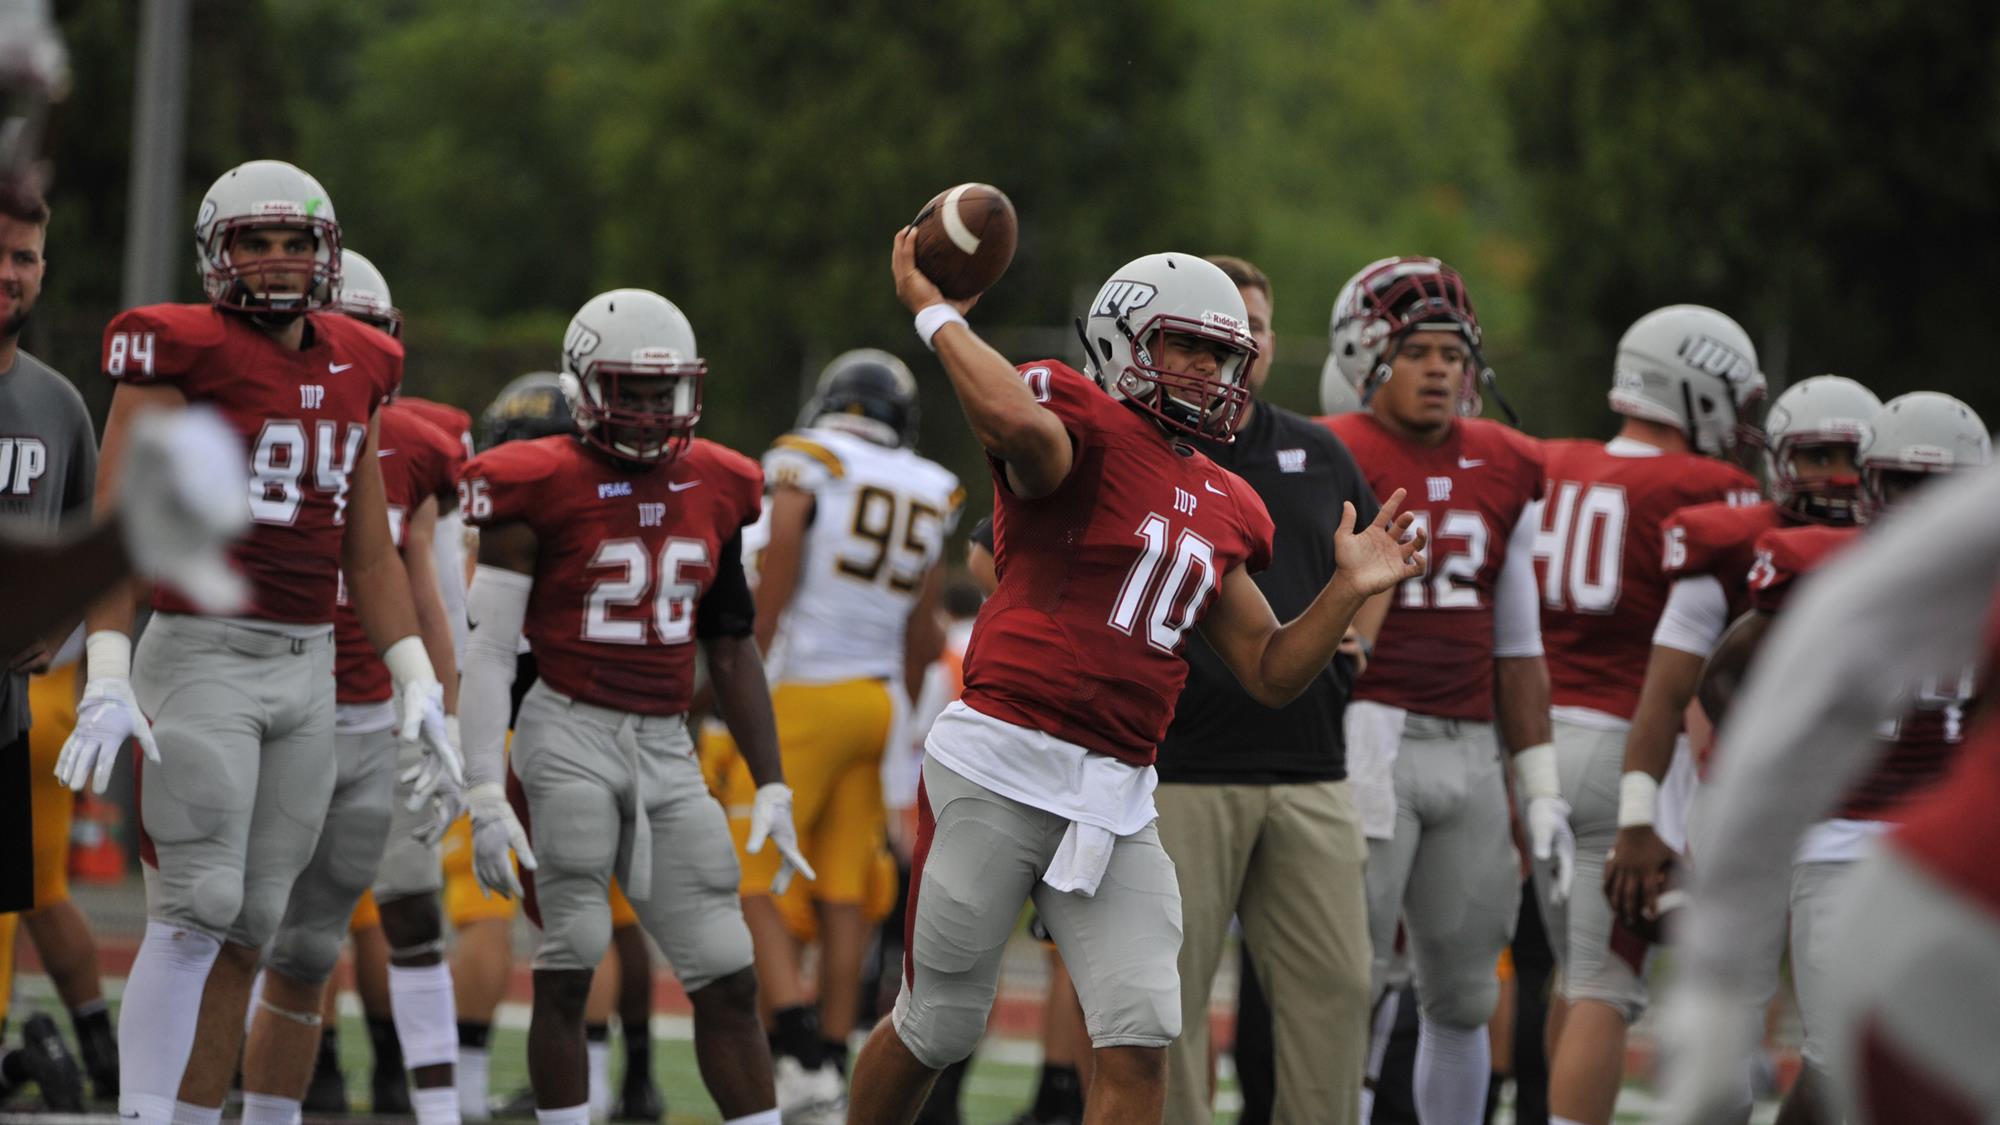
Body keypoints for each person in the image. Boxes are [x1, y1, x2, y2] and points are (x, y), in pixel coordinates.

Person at [847, 228, 1426, 1125]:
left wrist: (1346, 589)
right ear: (1123, 338)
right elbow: (1016, 428)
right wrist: (937, 315)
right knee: (939, 1023)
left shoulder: (1234, 500)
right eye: (1186, 345)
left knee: (1141, 1041)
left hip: (1120, 792)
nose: (1207, 370)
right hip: (1002, 761)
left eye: (1222, 354)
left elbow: (1271, 670)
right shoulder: (1076, 416)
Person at [52, 159, 458, 1125]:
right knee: (195, 909)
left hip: (307, 665)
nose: (276, 262)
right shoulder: (178, 351)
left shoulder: (362, 359)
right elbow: (120, 527)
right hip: (202, 652)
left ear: (327, 252)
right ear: (216, 255)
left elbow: (368, 553)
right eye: (254, 241)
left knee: (253, 929)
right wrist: (106, 668)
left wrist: (415, 677)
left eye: (294, 242)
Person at [458, 288, 808, 1125]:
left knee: (727, 967)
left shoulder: (721, 480)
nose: (651, 413)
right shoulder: (533, 480)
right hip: (566, 726)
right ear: (583, 388)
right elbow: (490, 648)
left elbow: (730, 641)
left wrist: (772, 782)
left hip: (665, 742)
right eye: (631, 392)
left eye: (664, 393)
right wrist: (479, 788)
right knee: (571, 955)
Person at [1664, 392, 1989, 1125]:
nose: (1918, 504)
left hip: (1944, 838)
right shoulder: (1824, 562)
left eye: (1936, 486)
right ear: (1873, 485)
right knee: (1842, 1058)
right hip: (1844, 835)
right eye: (1902, 482)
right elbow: (1721, 673)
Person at [231, 247, 470, 1125]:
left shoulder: (415, 441)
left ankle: (438, 1103)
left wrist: (440, 713)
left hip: (377, 707)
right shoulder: (254, 410)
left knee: (402, 912)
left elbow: (439, 600)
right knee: (250, 922)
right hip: (274, 699)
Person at [1599, 373, 1879, 1118]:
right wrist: (1639, 817)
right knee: (1718, 1039)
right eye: (1814, 456)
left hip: (1857, 814)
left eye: (1845, 456)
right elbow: (1666, 690)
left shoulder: (1903, 556)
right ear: (1781, 461)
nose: (1832, 476)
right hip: (1742, 805)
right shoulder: (1731, 545)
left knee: (1845, 1043)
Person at [1323, 257, 1553, 1125]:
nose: (1440, 370)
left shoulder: (1506, 460)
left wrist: (1542, 789)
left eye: (1453, 354)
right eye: (1417, 350)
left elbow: (1519, 644)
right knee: (1344, 981)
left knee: (1463, 994)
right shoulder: (1331, 447)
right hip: (1362, 737)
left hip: (1467, 744)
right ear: (1370, 355)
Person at [1153, 254, 1381, 1125]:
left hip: (1309, 764)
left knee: (1338, 990)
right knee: (1165, 1003)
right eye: (1216, 324)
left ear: (1271, 341)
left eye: (1250, 325)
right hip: (1179, 763)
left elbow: (1371, 563)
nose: (1235, 342)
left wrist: (1354, 637)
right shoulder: (1139, 437)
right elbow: (997, 548)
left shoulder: (1317, 450)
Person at [704, 348, 961, 1121]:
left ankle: (793, 1043)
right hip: (878, 698)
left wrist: (739, 676)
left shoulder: (805, 462)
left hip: (804, 692)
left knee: (745, 873)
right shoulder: (929, 486)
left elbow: (774, 574)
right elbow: (925, 629)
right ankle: (837, 1053)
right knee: (848, 888)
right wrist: (904, 716)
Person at [1528, 305, 1766, 1125]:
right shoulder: (1709, 489)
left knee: (1574, 970)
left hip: (1532, 742)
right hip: (1628, 747)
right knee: (1607, 985)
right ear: (1696, 386)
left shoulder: (1552, 462)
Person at [0, 185, 120, 1101]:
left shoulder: (58, 405)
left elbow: (93, 554)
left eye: (26, 257)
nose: (10, 273)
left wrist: (62, 630)